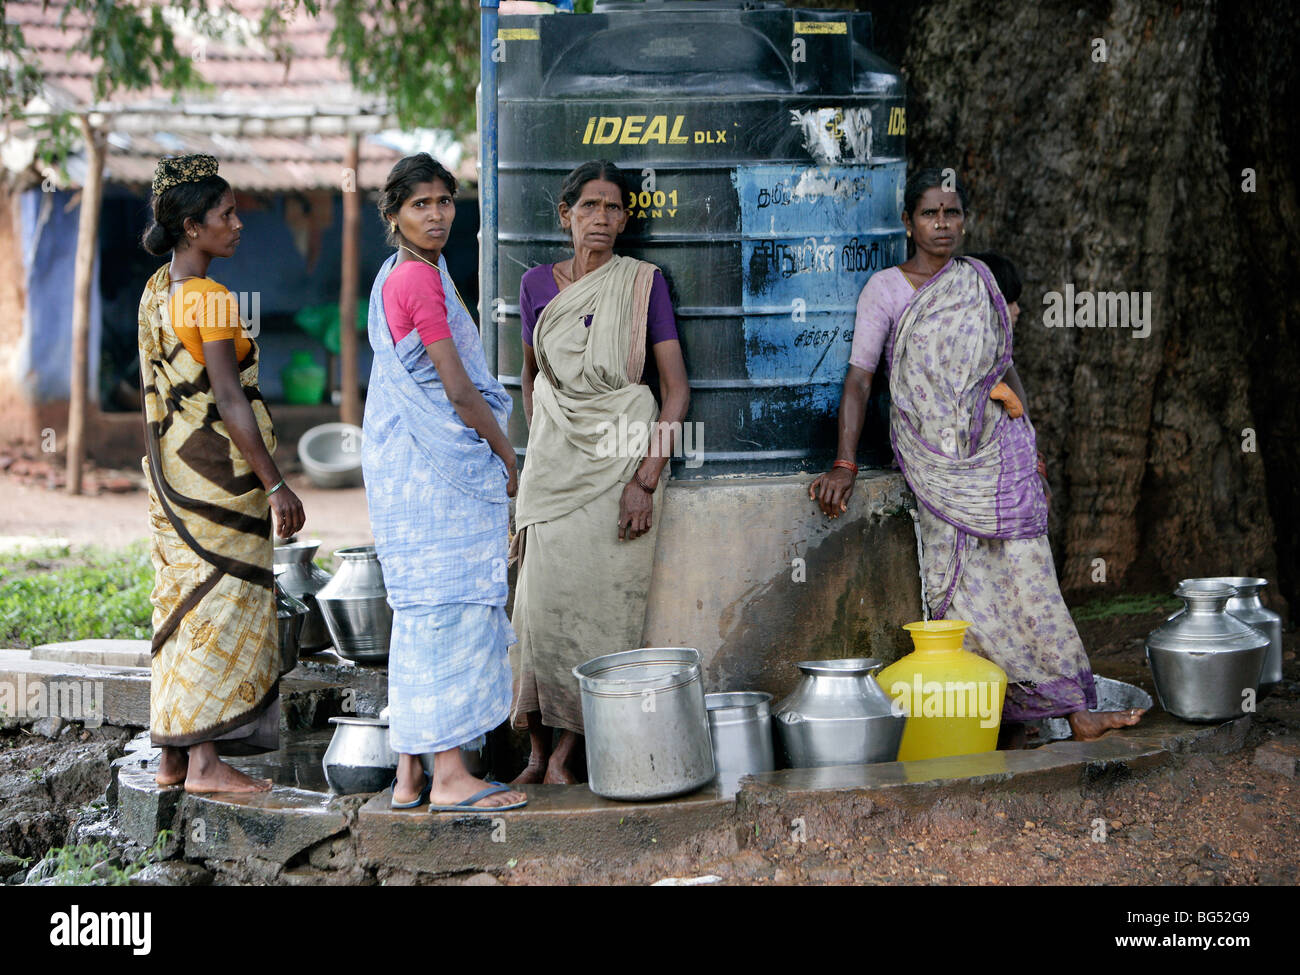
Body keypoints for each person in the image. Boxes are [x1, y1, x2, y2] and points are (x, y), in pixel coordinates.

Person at [809, 168, 1143, 741]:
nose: (943, 224)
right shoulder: (886, 289)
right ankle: (995, 716)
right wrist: (845, 462)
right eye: (931, 214)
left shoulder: (980, 278)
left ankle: (1074, 711)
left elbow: (1004, 368)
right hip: (934, 463)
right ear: (908, 222)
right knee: (957, 588)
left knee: (1030, 577)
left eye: (953, 213)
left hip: (998, 456)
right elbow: (861, 380)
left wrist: (1028, 441)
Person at [510, 160, 691, 784]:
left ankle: (566, 755)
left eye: (614, 208)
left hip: (622, 458)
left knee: (602, 609)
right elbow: (531, 376)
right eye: (590, 206)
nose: (602, 219)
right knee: (537, 606)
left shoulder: (644, 283)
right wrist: (544, 440)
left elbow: (674, 391)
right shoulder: (536, 284)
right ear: (566, 214)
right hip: (555, 462)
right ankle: (535, 751)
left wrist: (645, 478)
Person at [138, 153, 306, 793]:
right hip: (220, 483)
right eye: (225, 215)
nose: (238, 225)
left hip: (172, 483)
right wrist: (275, 482)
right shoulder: (209, 298)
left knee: (182, 609)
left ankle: (175, 759)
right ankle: (207, 766)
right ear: (190, 227)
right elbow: (230, 399)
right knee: (222, 607)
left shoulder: (158, 291)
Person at [364, 153, 526, 811]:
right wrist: (505, 453)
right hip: (436, 472)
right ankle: (453, 777)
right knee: (452, 610)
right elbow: (458, 390)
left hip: (405, 469)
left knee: (421, 612)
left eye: (445, 201)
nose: (436, 215)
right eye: (420, 204)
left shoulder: (397, 275)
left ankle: (409, 777)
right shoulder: (420, 282)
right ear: (395, 214)